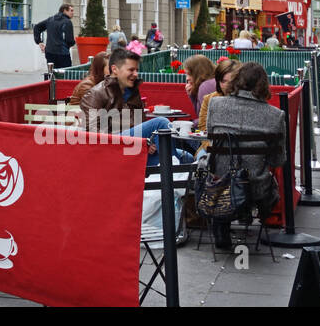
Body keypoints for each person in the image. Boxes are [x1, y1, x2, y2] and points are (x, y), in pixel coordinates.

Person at [205, 62, 285, 251]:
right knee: (269, 187)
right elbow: (278, 160)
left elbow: (211, 138)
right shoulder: (276, 115)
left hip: (219, 182)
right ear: (264, 85)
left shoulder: (216, 104)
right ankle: (246, 212)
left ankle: (224, 219)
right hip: (255, 186)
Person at [79, 47, 191, 166]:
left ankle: (170, 168)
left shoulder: (132, 92)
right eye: (131, 70)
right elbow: (92, 135)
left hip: (133, 147)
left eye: (137, 70)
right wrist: (137, 142)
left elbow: (140, 124)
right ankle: (171, 171)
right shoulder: (95, 94)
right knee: (161, 123)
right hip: (111, 147)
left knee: (187, 158)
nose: (136, 74)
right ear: (115, 69)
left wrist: (146, 143)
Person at [197, 56, 241, 132]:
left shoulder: (248, 99)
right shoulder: (209, 99)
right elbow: (203, 129)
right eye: (223, 81)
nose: (227, 86)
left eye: (232, 81)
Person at [33, 4, 77, 71]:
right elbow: (69, 40)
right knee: (65, 75)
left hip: (50, 52)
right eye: (71, 10)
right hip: (63, 53)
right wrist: (72, 43)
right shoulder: (67, 22)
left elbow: (37, 27)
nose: (73, 13)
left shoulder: (50, 20)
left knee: (52, 74)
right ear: (65, 10)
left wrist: (39, 41)